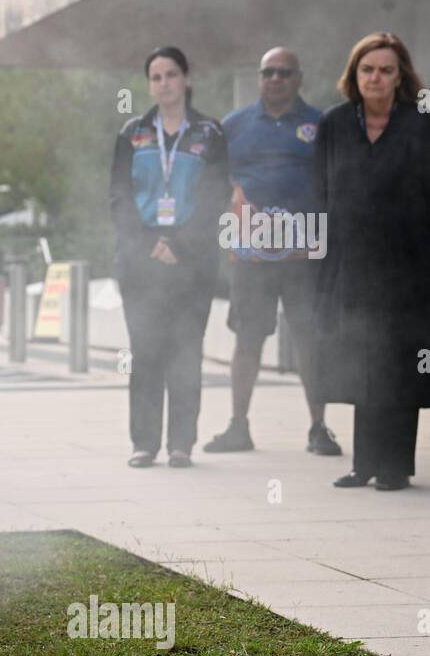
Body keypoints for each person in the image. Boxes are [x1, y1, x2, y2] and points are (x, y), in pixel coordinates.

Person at [311, 32, 430, 491]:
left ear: (400, 76)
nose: (375, 77)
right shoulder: (333, 123)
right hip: (348, 262)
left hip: (405, 261)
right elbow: (321, 189)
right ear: (354, 73)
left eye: (386, 70)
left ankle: (394, 466)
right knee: (360, 358)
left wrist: (384, 221)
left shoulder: (421, 121)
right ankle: (363, 463)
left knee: (399, 360)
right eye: (367, 69)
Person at [204, 47, 342, 457]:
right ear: (259, 78)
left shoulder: (322, 124)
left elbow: (338, 182)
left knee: (309, 339)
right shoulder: (234, 125)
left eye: (284, 72)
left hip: (306, 247)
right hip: (251, 248)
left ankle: (319, 428)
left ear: (299, 78)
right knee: (248, 338)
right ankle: (238, 427)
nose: (275, 79)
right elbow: (212, 181)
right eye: (268, 72)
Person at [110, 46, 231, 468]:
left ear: (187, 79)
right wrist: (148, 243)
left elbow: (217, 196)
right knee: (145, 353)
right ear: (150, 84)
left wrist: (179, 243)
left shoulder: (210, 134)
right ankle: (144, 443)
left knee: (185, 352)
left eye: (172, 74)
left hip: (192, 262)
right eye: (156, 77)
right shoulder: (133, 133)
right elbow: (119, 197)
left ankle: (182, 443)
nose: (164, 83)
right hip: (140, 262)